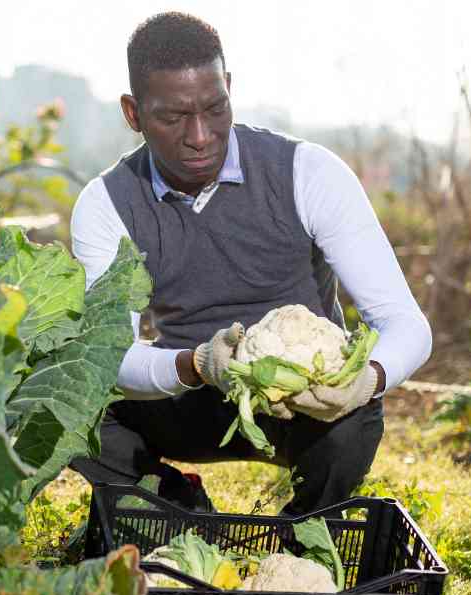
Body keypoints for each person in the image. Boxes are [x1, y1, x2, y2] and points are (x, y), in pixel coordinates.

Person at [68, 12, 432, 517]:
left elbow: (405, 324)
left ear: (230, 89)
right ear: (133, 113)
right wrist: (193, 365)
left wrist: (365, 379)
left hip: (300, 404)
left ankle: (303, 531)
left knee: (357, 423)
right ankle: (174, 506)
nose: (200, 135)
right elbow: (108, 358)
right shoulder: (107, 203)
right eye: (172, 118)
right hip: (187, 398)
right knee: (67, 404)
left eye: (216, 109)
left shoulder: (309, 172)